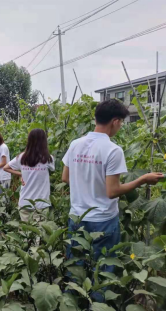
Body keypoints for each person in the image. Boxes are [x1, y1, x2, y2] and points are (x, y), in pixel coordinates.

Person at [62, 99, 164, 264]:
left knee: (75, 271)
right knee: (102, 272)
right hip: (102, 221)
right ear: (115, 121)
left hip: (77, 218)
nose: (120, 126)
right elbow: (112, 192)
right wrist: (143, 179)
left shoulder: (75, 144)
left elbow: (65, 178)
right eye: (121, 122)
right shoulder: (113, 150)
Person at [4, 128, 54, 222]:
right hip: (41, 204)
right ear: (44, 141)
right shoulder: (48, 159)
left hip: (25, 202)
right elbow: (52, 169)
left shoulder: (21, 157)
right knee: (40, 234)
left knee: (27, 234)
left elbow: (6, 167)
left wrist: (21, 174)